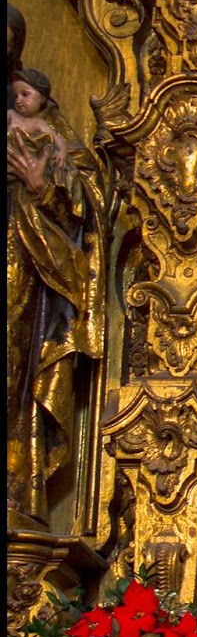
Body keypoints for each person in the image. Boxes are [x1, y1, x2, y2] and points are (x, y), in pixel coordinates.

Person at [6, 65, 108, 516]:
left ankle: (15, 485)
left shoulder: (53, 134)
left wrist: (40, 186)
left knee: (13, 360)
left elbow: (86, 211)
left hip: (26, 264)